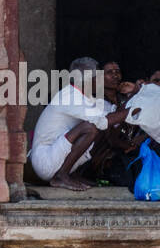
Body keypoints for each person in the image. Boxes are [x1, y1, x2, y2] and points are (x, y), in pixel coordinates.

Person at [29, 57, 136, 192]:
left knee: (100, 129)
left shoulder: (85, 97)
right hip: (45, 162)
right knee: (90, 127)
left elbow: (112, 116)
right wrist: (132, 110)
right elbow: (103, 120)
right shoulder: (70, 96)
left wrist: (135, 95)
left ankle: (72, 174)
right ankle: (62, 176)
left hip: (56, 157)